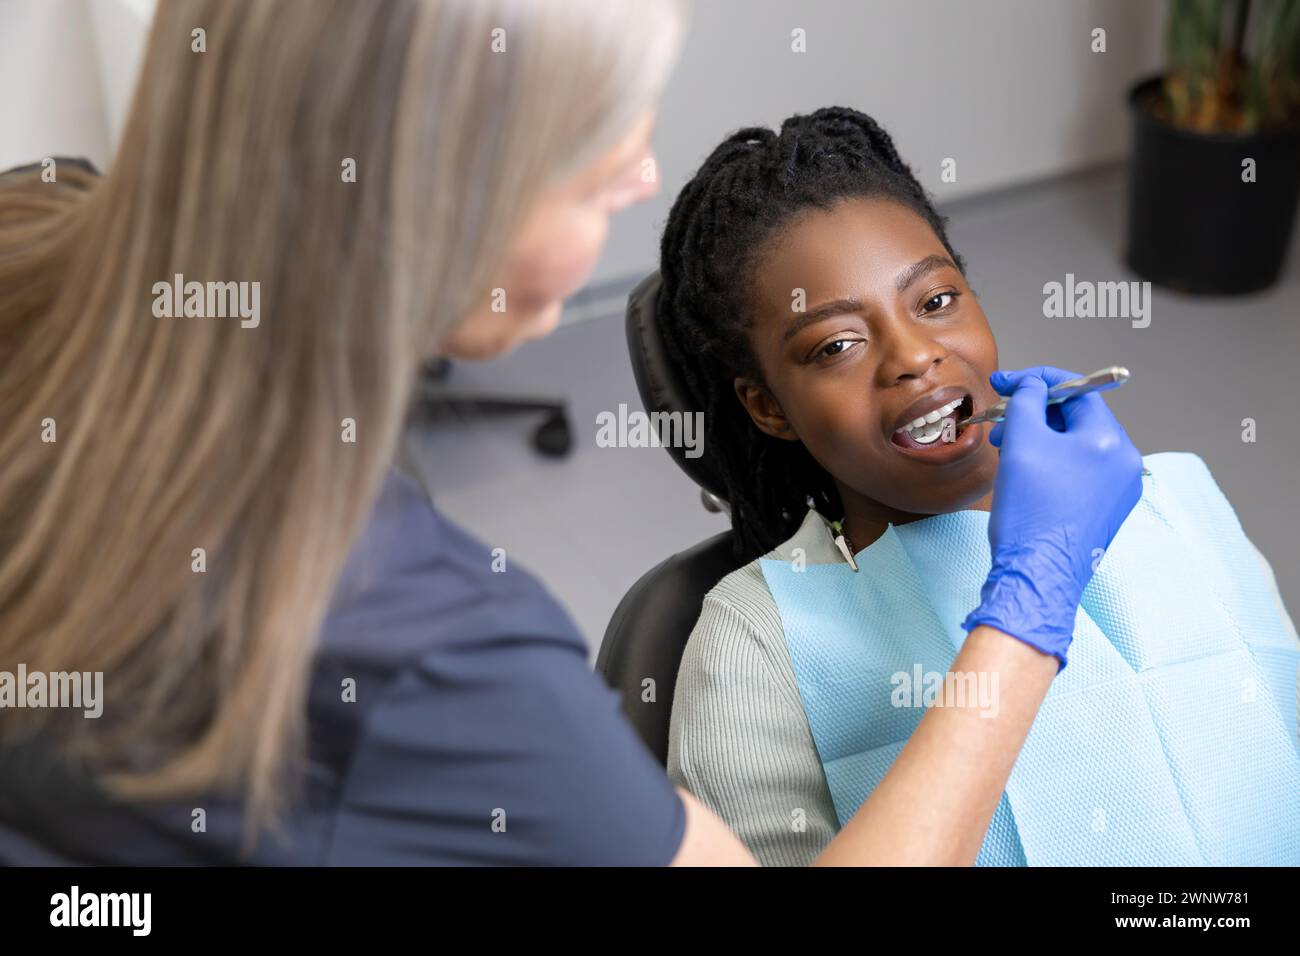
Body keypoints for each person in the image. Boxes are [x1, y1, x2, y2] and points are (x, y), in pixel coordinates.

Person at [0, 1, 1141, 866]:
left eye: (937, 298)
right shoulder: (447, 653)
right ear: (442, 196)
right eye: (598, 139)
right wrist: (1032, 595)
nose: (644, 167)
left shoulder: (28, 220)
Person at [658, 107, 1300, 866]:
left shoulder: (1178, 503)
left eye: (935, 301)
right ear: (768, 406)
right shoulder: (754, 651)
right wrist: (1035, 587)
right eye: (836, 344)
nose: (915, 356)